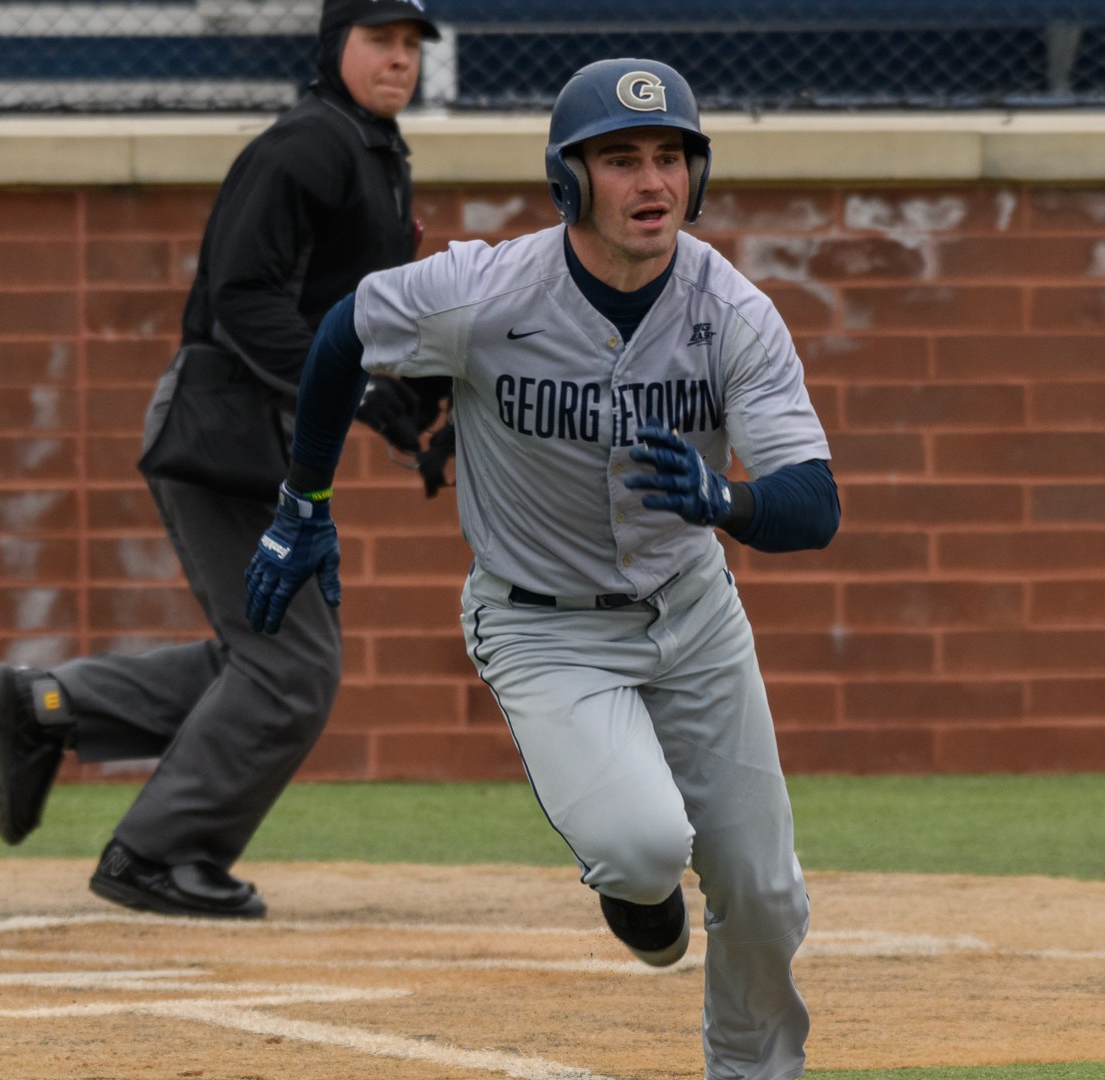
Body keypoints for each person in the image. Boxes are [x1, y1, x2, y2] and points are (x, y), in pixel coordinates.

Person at [243, 57, 838, 1080]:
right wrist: (307, 496)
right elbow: (345, 332)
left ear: (698, 177)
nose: (652, 184)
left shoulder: (732, 311)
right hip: (543, 623)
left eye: (670, 157)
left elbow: (811, 505)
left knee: (767, 889)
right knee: (649, 846)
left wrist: (725, 503)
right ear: (570, 181)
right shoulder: (485, 291)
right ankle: (635, 889)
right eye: (620, 160)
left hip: (692, 613)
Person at [0, 0, 448, 919]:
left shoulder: (370, 151)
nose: (400, 59)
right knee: (291, 667)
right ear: (334, 47)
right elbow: (242, 302)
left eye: (410, 45)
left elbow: (357, 314)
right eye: (380, 40)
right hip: (222, 429)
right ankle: (160, 853)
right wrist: (356, 395)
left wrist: (412, 400)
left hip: (260, 431)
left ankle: (49, 706)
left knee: (263, 654)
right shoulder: (307, 146)